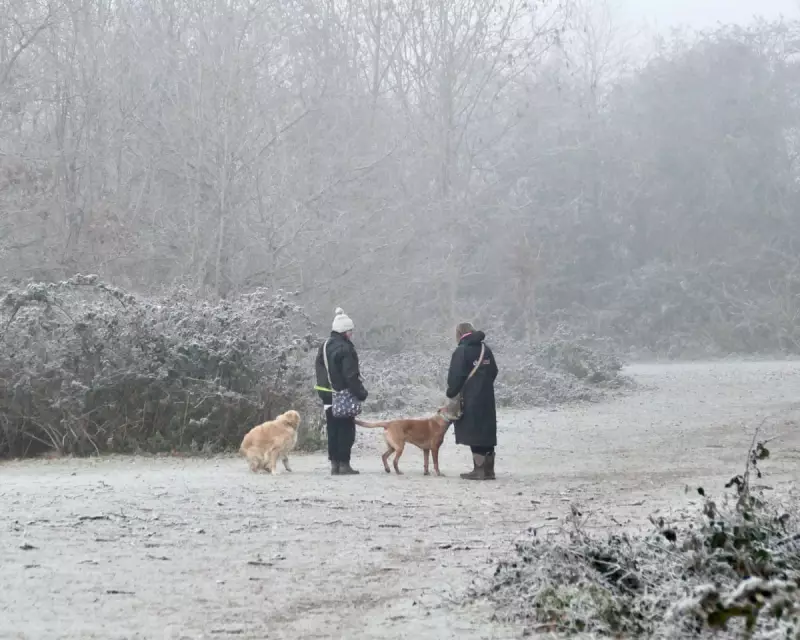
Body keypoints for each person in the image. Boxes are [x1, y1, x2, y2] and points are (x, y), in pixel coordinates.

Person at [314, 307, 368, 475]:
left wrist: (324, 391)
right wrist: (361, 393)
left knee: (333, 429)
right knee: (346, 429)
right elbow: (350, 375)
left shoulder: (324, 346)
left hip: (327, 394)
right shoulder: (345, 349)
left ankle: (334, 464)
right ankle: (344, 464)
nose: (351, 334)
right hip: (343, 395)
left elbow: (320, 370)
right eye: (350, 331)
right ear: (344, 331)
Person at [445, 322, 499, 480]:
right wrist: (484, 384)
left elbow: (456, 376)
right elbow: (494, 370)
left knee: (474, 431)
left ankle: (479, 470)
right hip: (487, 396)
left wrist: (451, 392)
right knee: (486, 431)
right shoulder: (485, 349)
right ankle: (489, 470)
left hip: (469, 398)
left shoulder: (461, 351)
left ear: (459, 334)